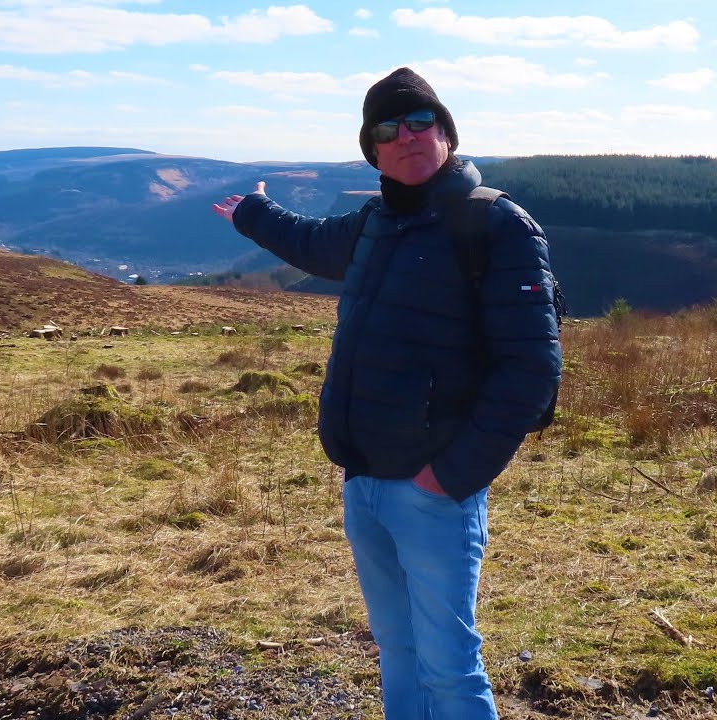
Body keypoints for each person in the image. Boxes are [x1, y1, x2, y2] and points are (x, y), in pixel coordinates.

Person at [212, 67, 562, 719]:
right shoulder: (377, 221)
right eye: (389, 128)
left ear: (447, 133)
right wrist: (253, 214)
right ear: (373, 149)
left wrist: (450, 476)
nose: (407, 137)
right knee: (397, 650)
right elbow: (312, 244)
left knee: (451, 669)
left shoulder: (497, 226)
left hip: (433, 490)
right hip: (364, 480)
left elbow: (531, 372)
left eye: (421, 121)